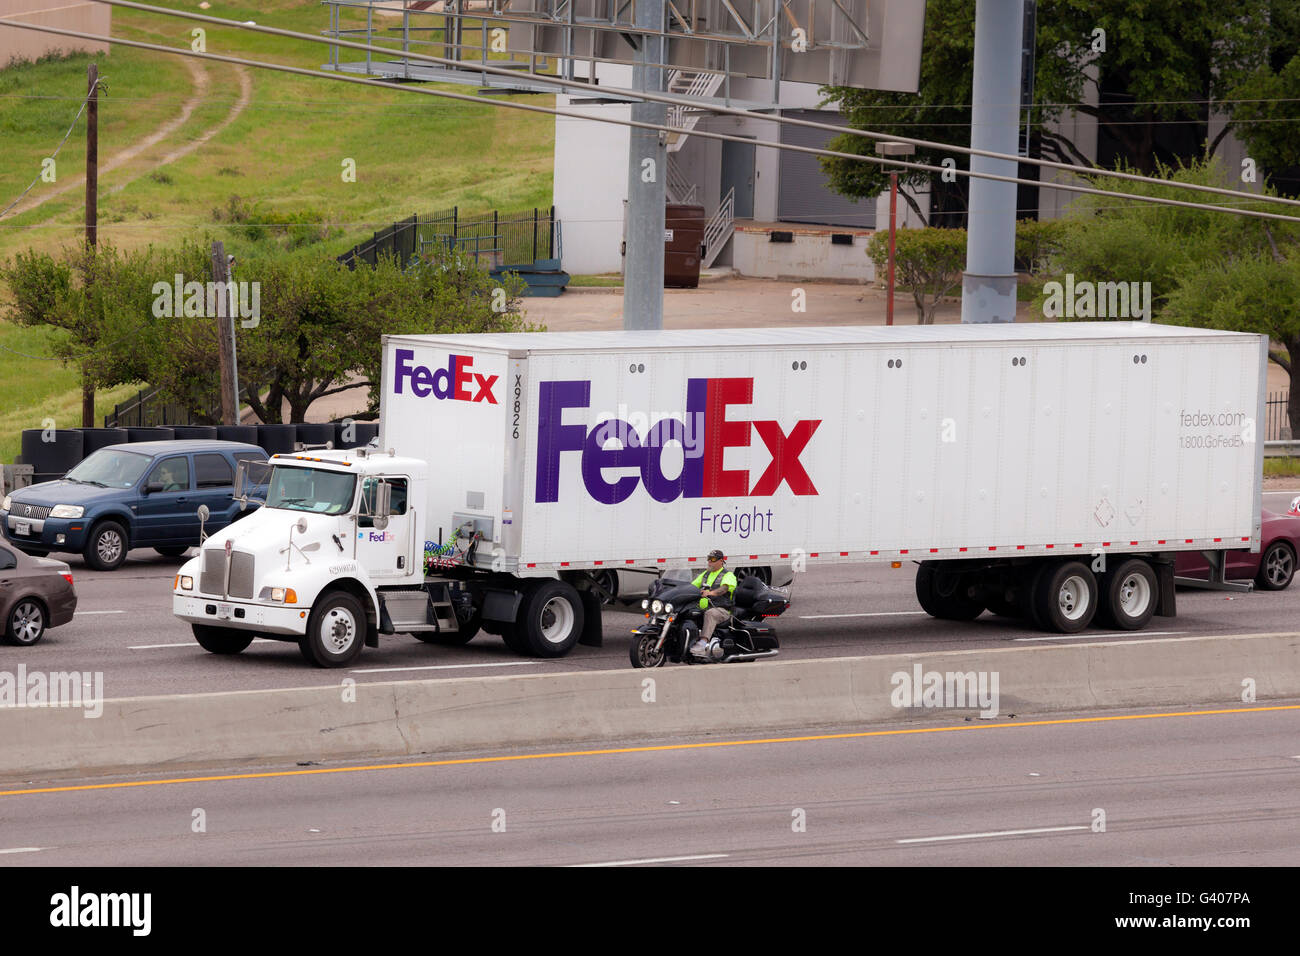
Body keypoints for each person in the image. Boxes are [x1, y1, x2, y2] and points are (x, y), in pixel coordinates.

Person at [689, 549, 737, 658]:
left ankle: (702, 643)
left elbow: (724, 589)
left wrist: (710, 593)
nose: (710, 562)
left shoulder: (728, 575)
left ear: (721, 561)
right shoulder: (705, 574)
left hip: (722, 610)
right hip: (703, 608)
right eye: (708, 559)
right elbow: (691, 586)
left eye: (713, 559)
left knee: (711, 613)